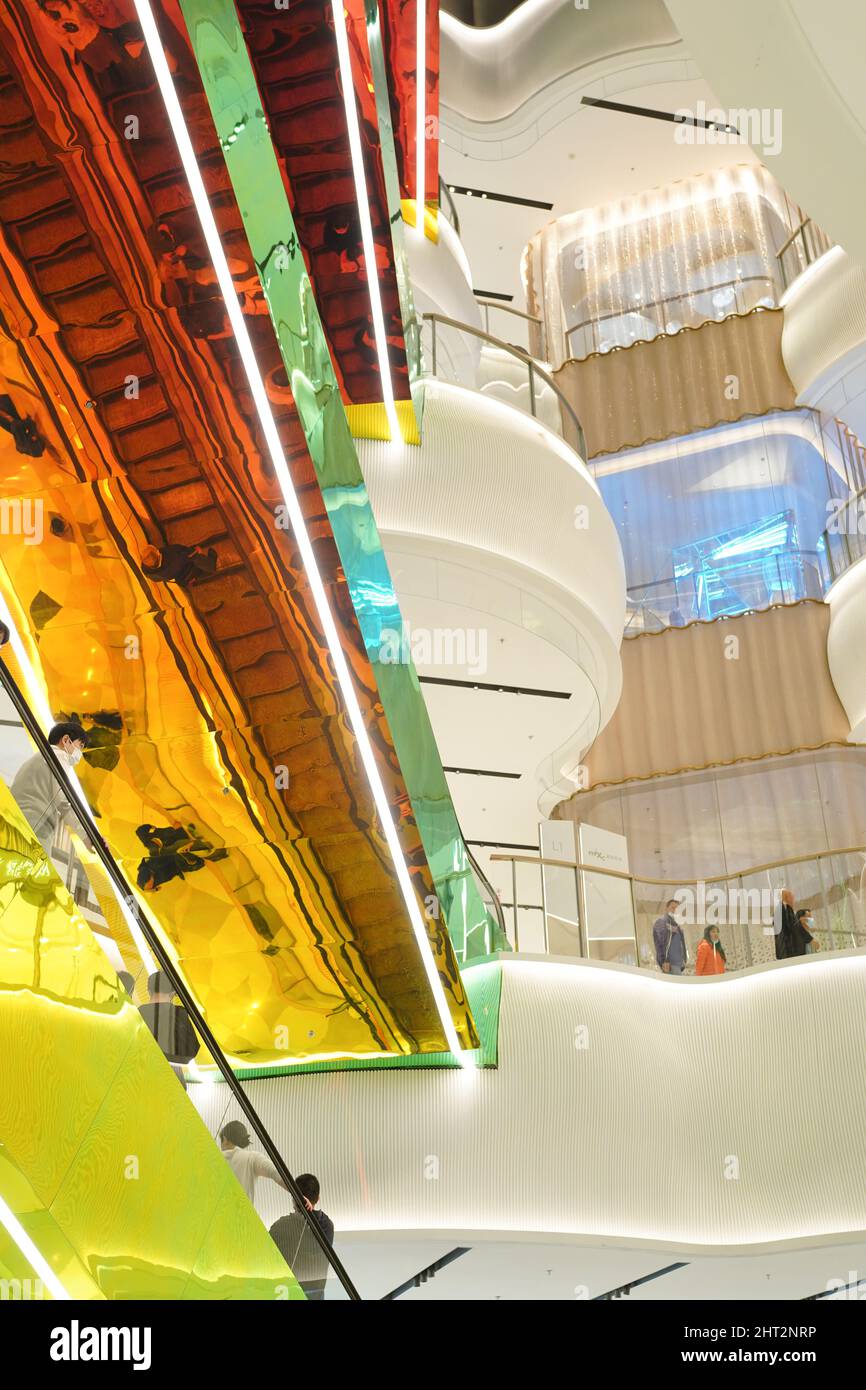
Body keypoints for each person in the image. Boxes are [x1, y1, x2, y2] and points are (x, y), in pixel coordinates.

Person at [10, 721, 87, 853]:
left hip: (15, 823)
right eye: (80, 746)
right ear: (66, 740)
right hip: (36, 826)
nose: (80, 753)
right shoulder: (59, 757)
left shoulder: (36, 759)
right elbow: (63, 800)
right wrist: (85, 836)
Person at [269, 1174, 335, 1302]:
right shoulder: (327, 1226)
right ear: (318, 1198)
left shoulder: (280, 1227)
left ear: (293, 1199)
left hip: (285, 1294)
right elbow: (319, 1220)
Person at [138, 970, 198, 1088]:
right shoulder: (179, 1014)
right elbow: (191, 1051)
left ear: (149, 991)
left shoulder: (137, 1014)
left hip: (142, 1079)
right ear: (173, 993)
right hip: (173, 1081)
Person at [219, 1121, 288, 1206]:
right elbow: (277, 1174)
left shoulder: (212, 1158)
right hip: (240, 1216)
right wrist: (300, 1196)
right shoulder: (251, 1158)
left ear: (225, 1139)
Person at [141, 542, 217, 587]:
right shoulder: (174, 558)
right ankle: (211, 564)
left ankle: (195, 576)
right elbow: (188, 555)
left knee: (187, 555)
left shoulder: (147, 571)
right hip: (187, 571)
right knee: (195, 556)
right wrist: (197, 551)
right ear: (157, 553)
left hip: (181, 578)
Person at [653, 896, 688, 974]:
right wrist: (664, 961)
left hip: (678, 965)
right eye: (673, 908)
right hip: (669, 965)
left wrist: (684, 960)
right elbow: (660, 943)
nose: (675, 910)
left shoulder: (677, 926)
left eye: (677, 909)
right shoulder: (662, 922)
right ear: (666, 908)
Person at [774, 888, 805, 959]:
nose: (793, 898)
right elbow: (790, 929)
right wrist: (800, 922)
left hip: (790, 953)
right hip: (790, 954)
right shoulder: (784, 910)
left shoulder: (784, 909)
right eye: (791, 896)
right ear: (785, 898)